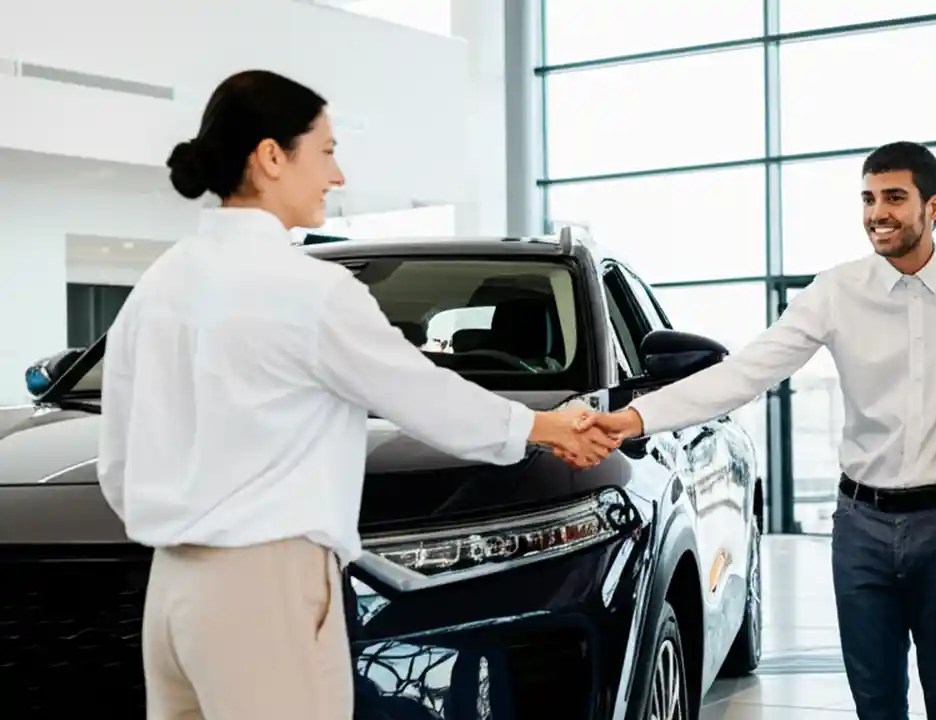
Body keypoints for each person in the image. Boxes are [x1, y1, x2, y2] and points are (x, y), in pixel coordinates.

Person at [96, 69, 617, 720]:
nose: (337, 176)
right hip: (265, 592)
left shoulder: (158, 285)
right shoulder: (308, 291)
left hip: (171, 592)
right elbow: (423, 395)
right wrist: (548, 427)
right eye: (326, 151)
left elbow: (117, 463)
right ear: (271, 157)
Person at [583, 141, 936, 719]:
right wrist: (634, 418)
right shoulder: (836, 291)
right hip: (861, 529)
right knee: (875, 702)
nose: (877, 213)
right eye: (868, 198)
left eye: (894, 197)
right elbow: (747, 372)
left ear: (934, 206)